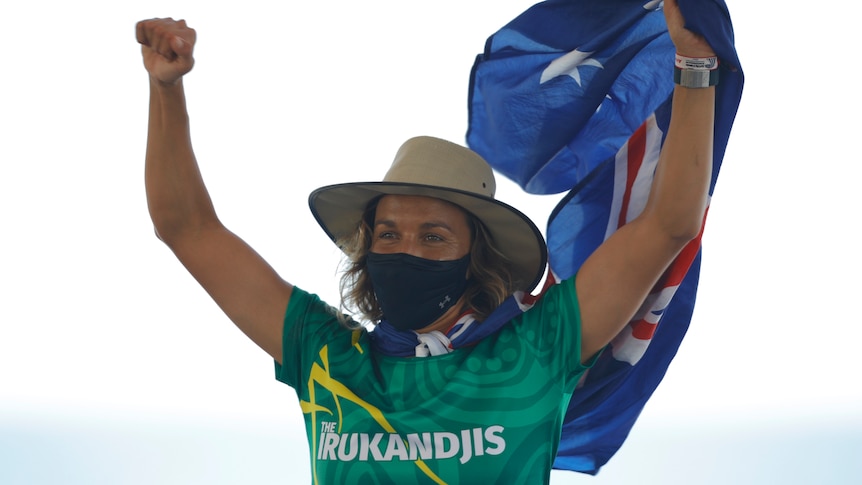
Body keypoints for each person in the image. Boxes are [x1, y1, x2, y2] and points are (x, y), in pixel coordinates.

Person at [137, 1, 716, 482]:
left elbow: (669, 223)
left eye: (433, 236)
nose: (404, 250)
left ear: (478, 258)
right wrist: (165, 90)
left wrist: (693, 66)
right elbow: (185, 228)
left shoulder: (540, 347)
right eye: (387, 234)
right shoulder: (325, 353)